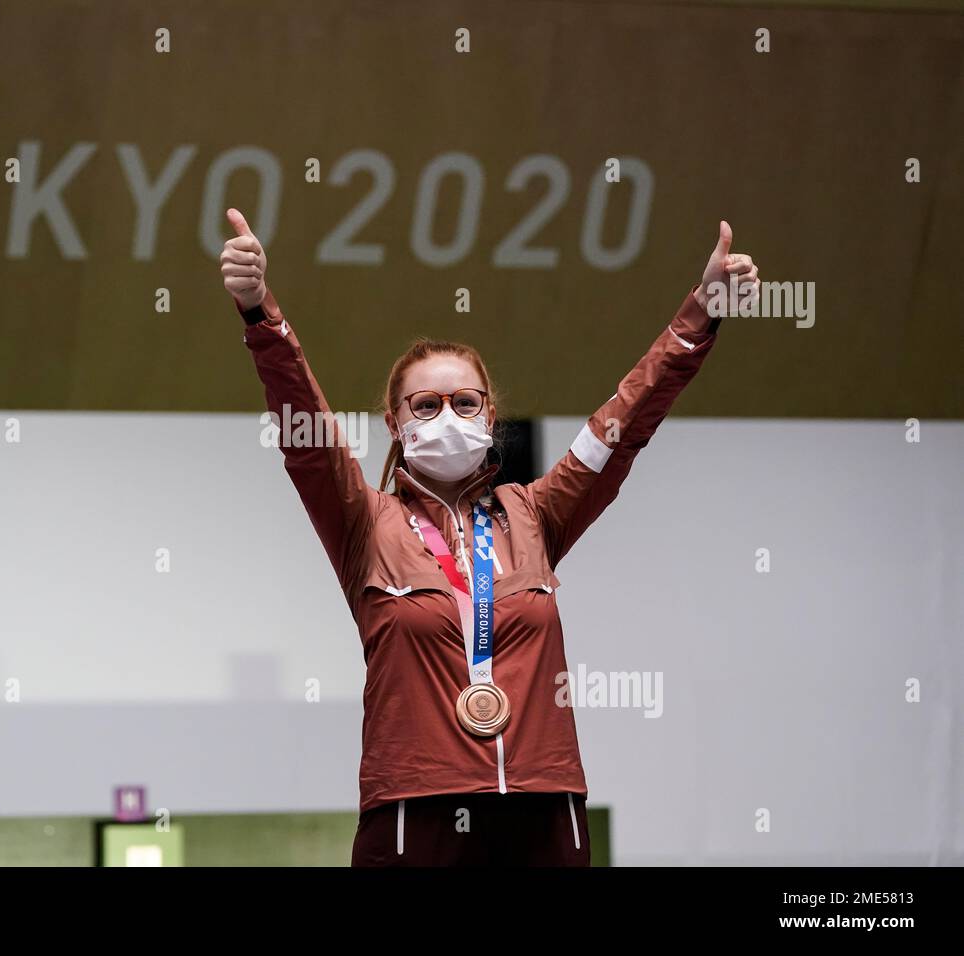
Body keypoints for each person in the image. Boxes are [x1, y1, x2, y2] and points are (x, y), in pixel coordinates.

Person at [219, 207, 758, 866]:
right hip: (415, 809)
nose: (448, 416)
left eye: (465, 403)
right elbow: (306, 430)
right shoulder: (363, 522)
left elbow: (627, 420)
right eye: (426, 405)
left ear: (490, 415)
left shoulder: (537, 514)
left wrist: (699, 315)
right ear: (394, 422)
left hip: (544, 806)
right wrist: (260, 313)